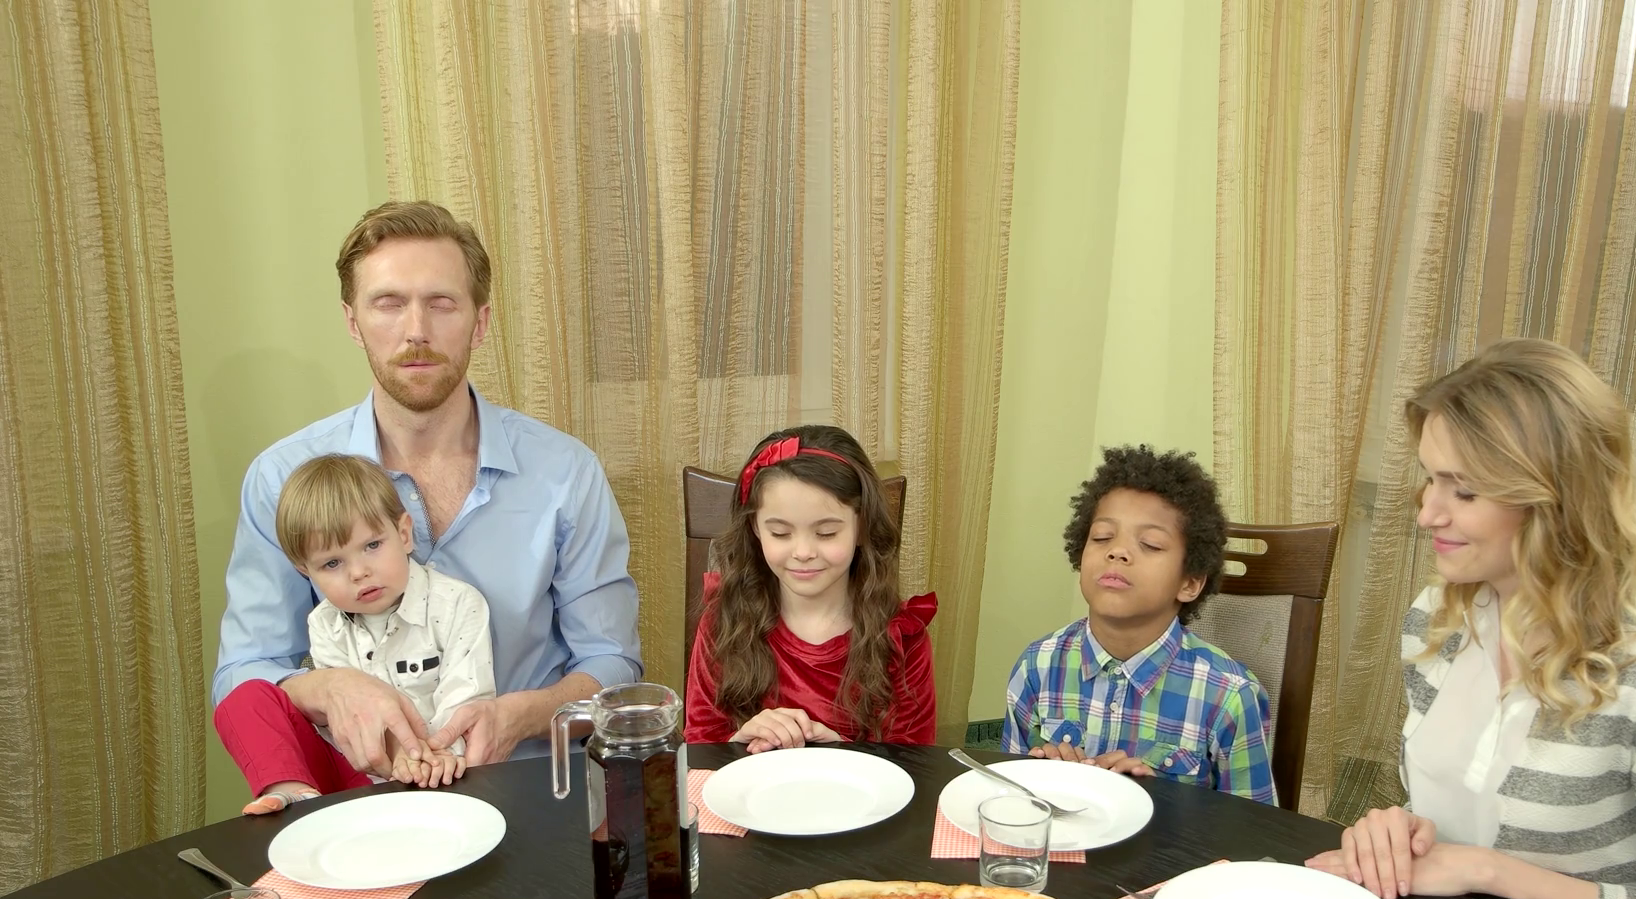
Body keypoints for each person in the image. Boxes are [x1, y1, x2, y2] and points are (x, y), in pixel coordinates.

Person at [1304, 338, 1636, 899]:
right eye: (1431, 478)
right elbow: (1453, 811)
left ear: (1556, 502)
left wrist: (1489, 870)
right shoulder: (1437, 624)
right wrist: (1401, 831)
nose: (1428, 513)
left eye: (1464, 490)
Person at [213, 201, 642, 779]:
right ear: (352, 321)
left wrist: (523, 715)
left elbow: (612, 663)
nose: (416, 331)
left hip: (534, 791)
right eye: (388, 304)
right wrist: (330, 688)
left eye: (442, 304)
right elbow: (246, 672)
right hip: (365, 799)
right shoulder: (280, 477)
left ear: (480, 322)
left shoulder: (566, 472)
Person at [1000, 445, 1276, 805]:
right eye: (1102, 537)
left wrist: (1159, 803)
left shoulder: (1231, 697)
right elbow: (1006, 796)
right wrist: (1042, 775)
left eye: (1150, 544)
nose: (1118, 552)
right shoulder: (1037, 666)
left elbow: (1250, 834)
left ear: (1190, 582)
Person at [215, 454, 489, 813]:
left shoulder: (456, 604)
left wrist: (431, 757)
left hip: (443, 770)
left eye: (372, 546)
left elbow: (466, 696)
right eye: (332, 563)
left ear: (403, 534)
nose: (359, 572)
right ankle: (296, 795)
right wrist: (395, 757)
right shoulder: (324, 622)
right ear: (305, 572)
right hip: (360, 770)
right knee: (243, 698)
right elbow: (345, 718)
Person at [684, 426, 938, 749]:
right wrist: (738, 741)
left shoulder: (902, 640)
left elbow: (914, 766)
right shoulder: (724, 623)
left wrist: (841, 752)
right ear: (755, 528)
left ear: (861, 528)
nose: (803, 552)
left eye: (826, 533)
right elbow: (700, 749)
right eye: (780, 533)